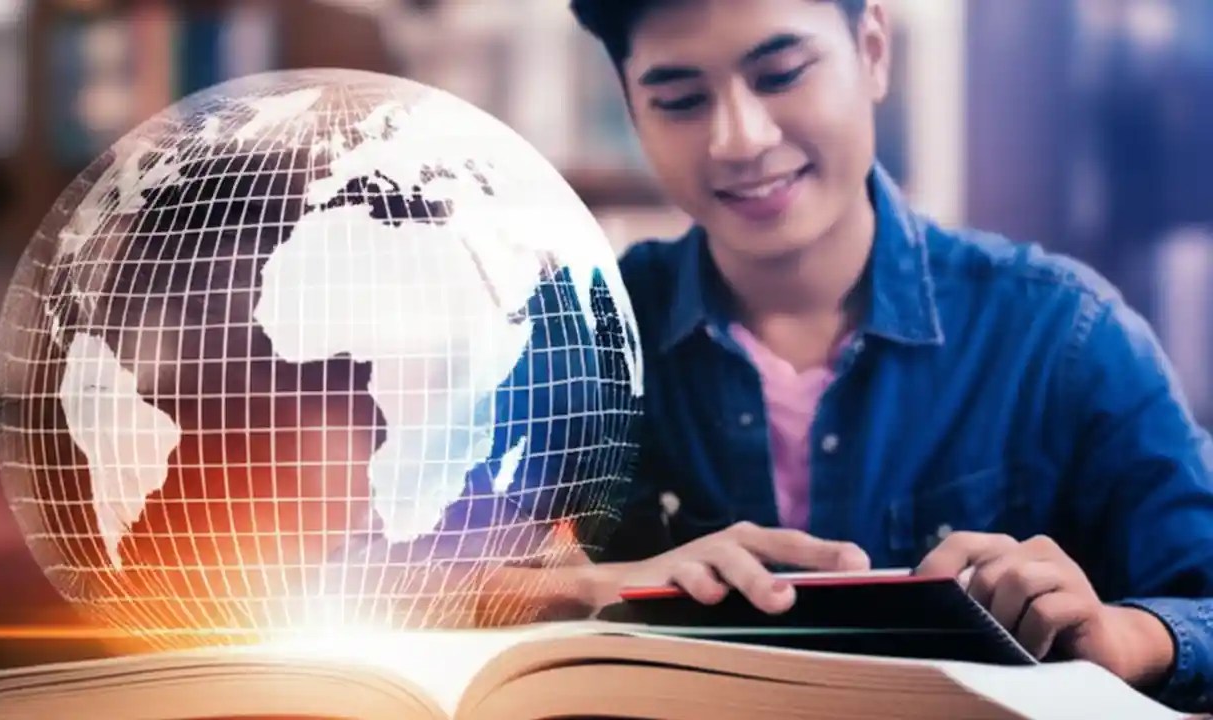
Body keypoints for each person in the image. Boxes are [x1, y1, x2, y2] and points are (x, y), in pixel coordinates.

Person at [514, 0, 1213, 712]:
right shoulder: (580, 339)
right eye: (681, 100)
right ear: (632, 108)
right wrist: (605, 584)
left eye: (781, 74)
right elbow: (421, 576)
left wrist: (1125, 638)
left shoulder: (1062, 335)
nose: (740, 138)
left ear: (873, 50)